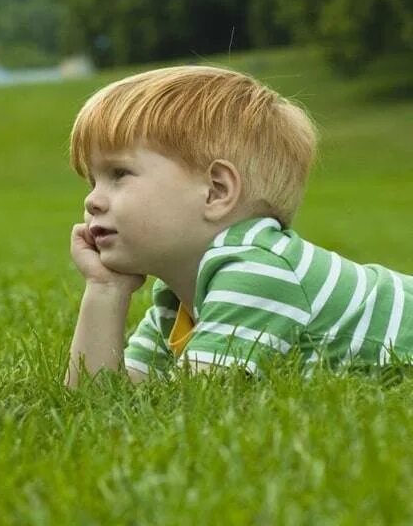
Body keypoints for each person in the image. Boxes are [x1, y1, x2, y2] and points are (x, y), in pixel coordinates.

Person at [64, 65, 413, 385]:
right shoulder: (179, 295)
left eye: (119, 174)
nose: (92, 200)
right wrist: (105, 289)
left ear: (216, 191)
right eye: (92, 181)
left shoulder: (258, 274)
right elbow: (103, 402)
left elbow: (190, 408)